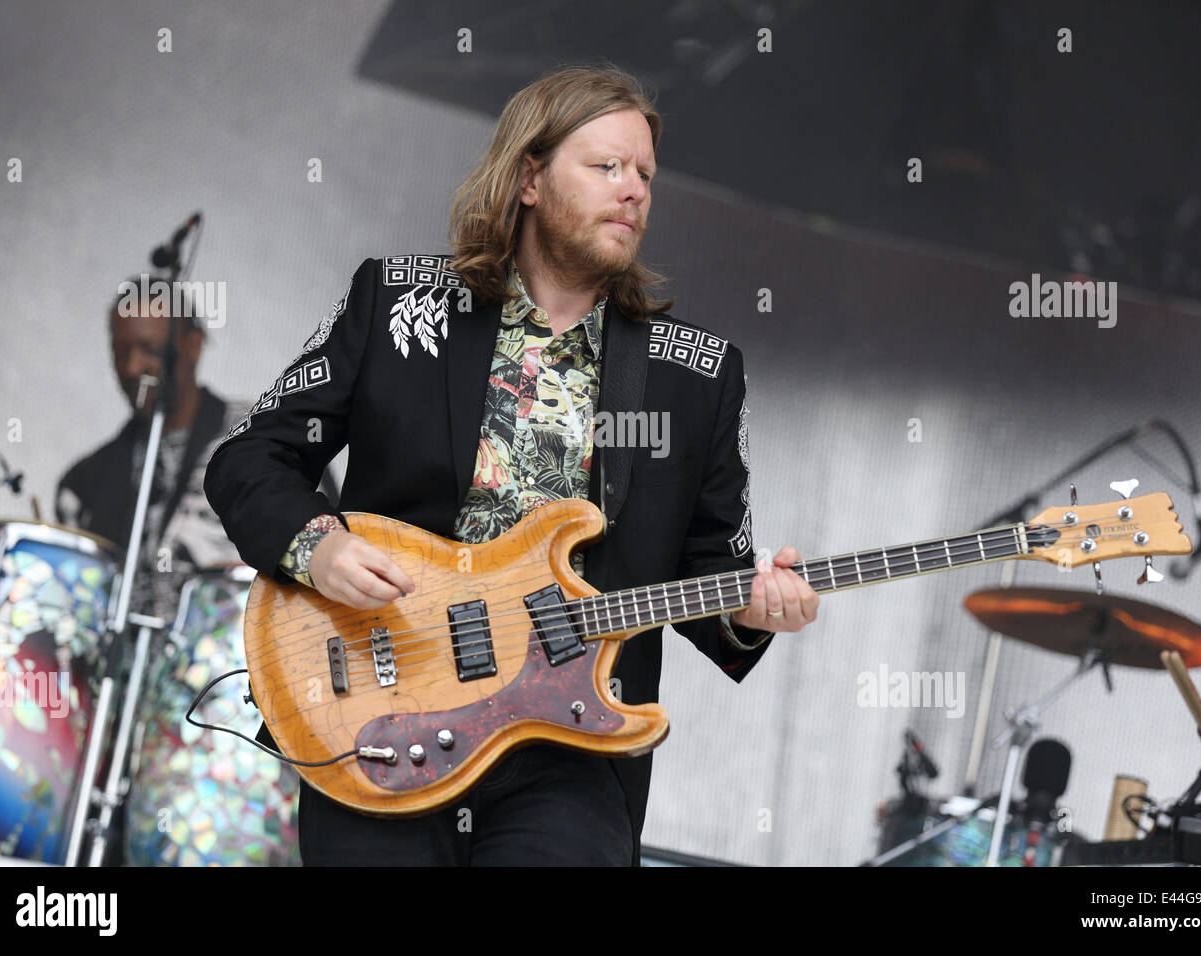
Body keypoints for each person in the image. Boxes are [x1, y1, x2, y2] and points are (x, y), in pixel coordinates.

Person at [204, 65, 820, 866]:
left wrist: (752, 610)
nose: (633, 190)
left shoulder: (695, 374)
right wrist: (318, 546)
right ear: (529, 177)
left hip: (573, 751)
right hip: (383, 712)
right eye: (606, 166)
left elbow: (714, 572)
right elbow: (251, 457)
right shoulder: (397, 306)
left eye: (644, 175)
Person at [56, 282, 249, 617]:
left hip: (242, 662)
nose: (132, 367)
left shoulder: (258, 439)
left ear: (193, 345)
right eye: (120, 351)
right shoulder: (83, 483)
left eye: (149, 348)